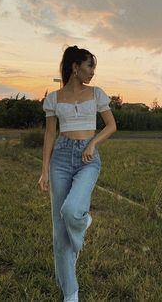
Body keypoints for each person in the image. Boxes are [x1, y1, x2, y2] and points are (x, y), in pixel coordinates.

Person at [38, 45, 117, 302]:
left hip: (87, 158)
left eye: (93, 67)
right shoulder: (54, 99)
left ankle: (82, 222)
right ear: (75, 67)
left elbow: (111, 125)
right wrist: (44, 171)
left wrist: (92, 144)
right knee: (60, 236)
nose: (92, 72)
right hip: (60, 158)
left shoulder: (96, 94)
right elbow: (50, 134)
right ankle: (71, 295)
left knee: (71, 211)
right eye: (89, 66)